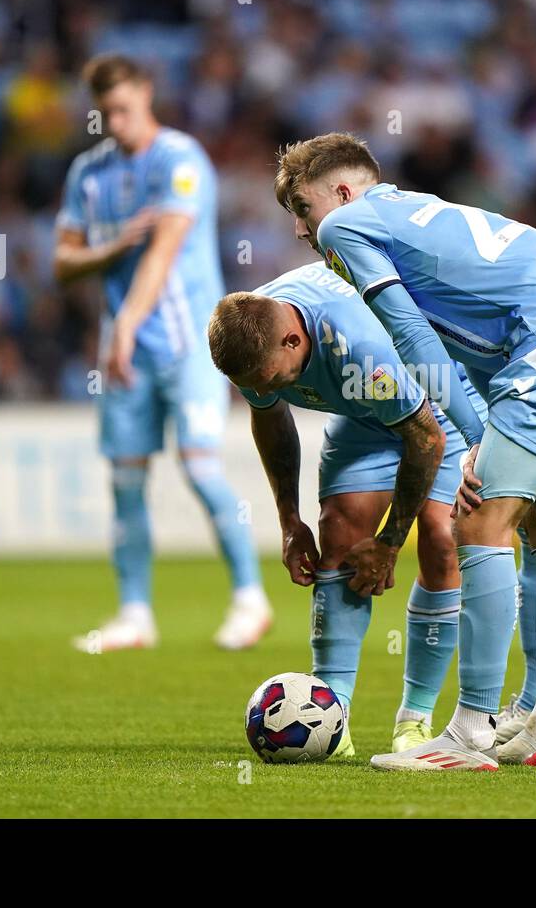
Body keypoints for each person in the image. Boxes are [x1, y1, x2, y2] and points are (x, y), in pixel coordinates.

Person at [273, 132, 536, 770]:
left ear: (339, 193)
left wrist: (476, 437)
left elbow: (412, 333)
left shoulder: (348, 227)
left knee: (477, 520)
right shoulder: (418, 210)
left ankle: (472, 727)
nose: (307, 234)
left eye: (304, 212)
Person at [208, 260, 487, 753]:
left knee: (443, 541)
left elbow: (426, 440)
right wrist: (290, 522)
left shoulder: (361, 348)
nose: (268, 389)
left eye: (272, 380)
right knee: (337, 530)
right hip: (363, 414)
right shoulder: (252, 336)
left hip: (438, 406)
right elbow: (271, 421)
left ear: (293, 342)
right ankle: (331, 716)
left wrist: (389, 543)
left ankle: (414, 720)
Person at [53, 54, 267, 653]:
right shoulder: (87, 173)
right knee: (125, 480)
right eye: (106, 114)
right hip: (125, 350)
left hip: (188, 343)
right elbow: (61, 261)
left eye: (124, 109)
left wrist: (124, 321)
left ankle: (250, 599)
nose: (116, 123)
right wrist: (112, 245)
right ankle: (135, 614)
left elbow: (165, 248)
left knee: (199, 467)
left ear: (147, 94)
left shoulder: (181, 160)